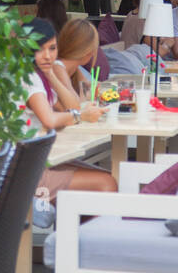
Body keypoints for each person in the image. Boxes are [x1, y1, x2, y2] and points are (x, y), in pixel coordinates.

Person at [18, 18, 116, 201]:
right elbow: (51, 119)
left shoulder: (39, 77)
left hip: (38, 159)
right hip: (24, 171)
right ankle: (82, 229)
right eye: (40, 49)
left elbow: (67, 106)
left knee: (108, 176)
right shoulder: (28, 77)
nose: (47, 55)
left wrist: (51, 73)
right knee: (106, 183)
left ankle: (76, 227)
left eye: (52, 48)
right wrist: (80, 116)